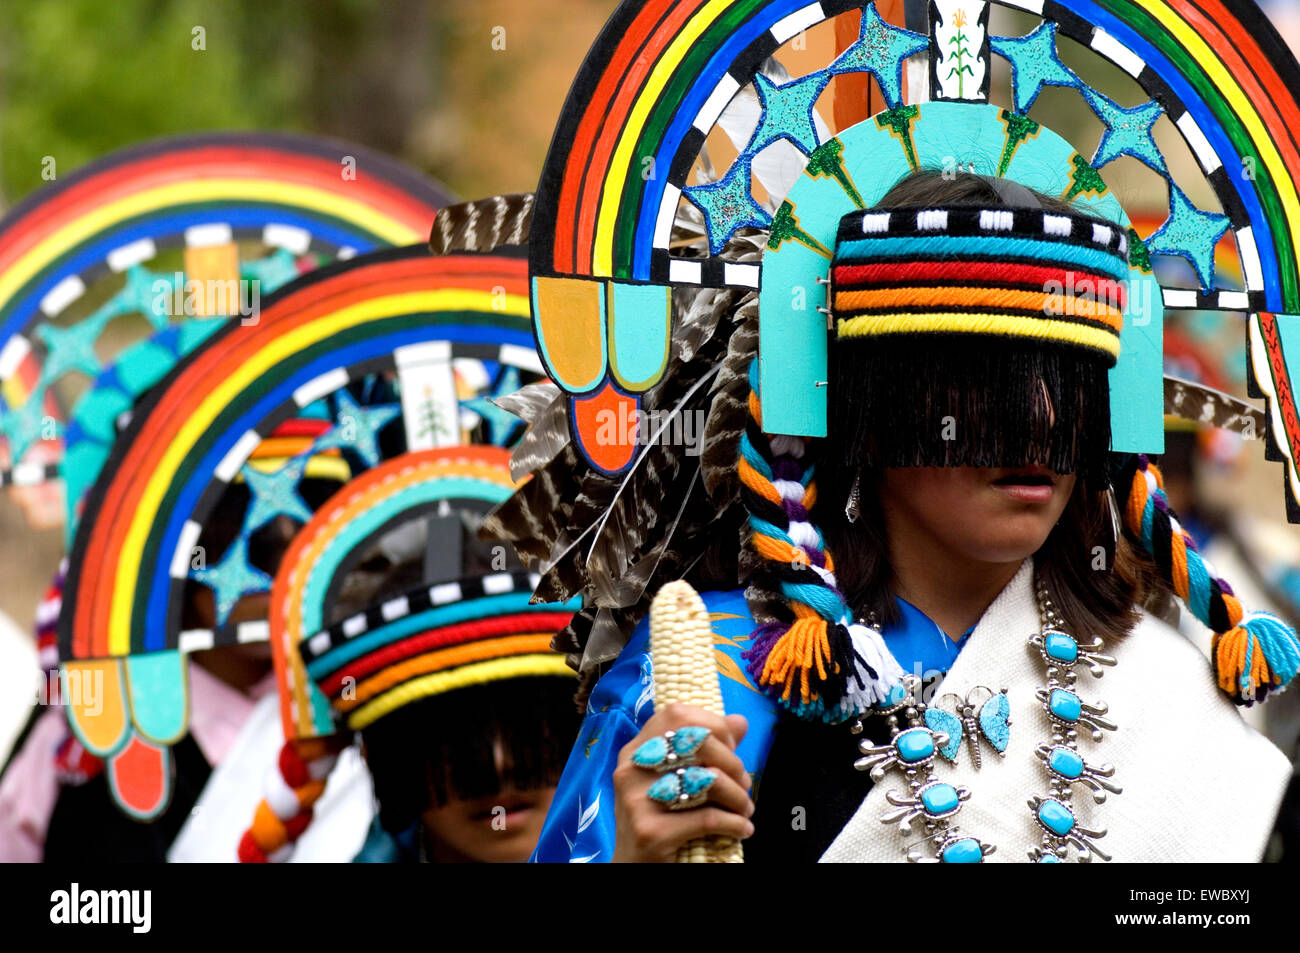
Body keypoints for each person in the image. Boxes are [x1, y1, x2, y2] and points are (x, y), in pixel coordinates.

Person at [521, 171, 1298, 863]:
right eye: (983, 379)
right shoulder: (719, 678)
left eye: (1068, 380)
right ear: (870, 409)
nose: (1039, 418)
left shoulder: (1170, 691)